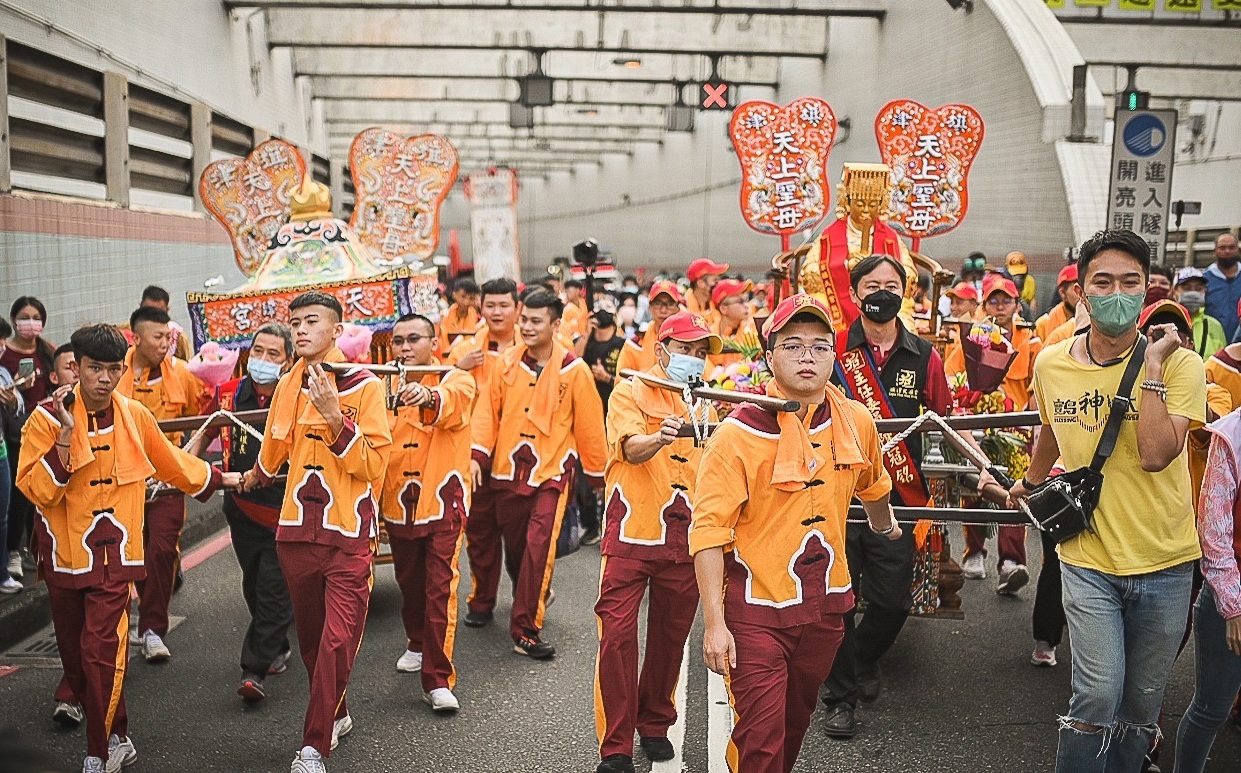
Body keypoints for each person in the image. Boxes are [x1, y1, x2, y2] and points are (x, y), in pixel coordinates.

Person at [1008, 229, 1206, 772]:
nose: (1116, 293)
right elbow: (1049, 428)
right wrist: (1027, 481)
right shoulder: (1051, 363)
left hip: (1166, 564)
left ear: (1146, 291)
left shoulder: (1184, 366)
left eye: (1130, 283)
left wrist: (1154, 369)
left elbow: (1155, 453)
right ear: (1080, 291)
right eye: (1103, 282)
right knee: (1095, 698)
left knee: (1141, 707)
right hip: (1088, 557)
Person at [16, 324, 237, 773]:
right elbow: (36, 491)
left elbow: (171, 463)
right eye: (95, 368)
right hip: (64, 558)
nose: (104, 378)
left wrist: (218, 478)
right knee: (77, 658)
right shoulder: (42, 419)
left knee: (103, 652)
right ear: (75, 368)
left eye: (113, 369)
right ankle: (117, 735)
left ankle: (99, 751)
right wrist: (64, 437)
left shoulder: (135, 415)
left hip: (116, 560)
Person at [692, 293, 899, 773]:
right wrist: (714, 623)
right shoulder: (735, 436)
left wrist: (883, 523)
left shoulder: (855, 421)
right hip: (755, 613)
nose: (808, 357)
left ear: (834, 356)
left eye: (820, 347)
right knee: (760, 739)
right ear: (769, 357)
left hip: (826, 608)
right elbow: (707, 532)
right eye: (793, 345)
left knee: (793, 724)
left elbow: (874, 482)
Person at [238, 291, 393, 773]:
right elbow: (275, 449)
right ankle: (336, 710)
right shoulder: (289, 383)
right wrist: (248, 475)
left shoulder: (364, 385)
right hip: (296, 533)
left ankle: (312, 746)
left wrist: (333, 418)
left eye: (313, 322)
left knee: (336, 640)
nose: (302, 330)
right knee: (309, 640)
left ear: (336, 329)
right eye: (297, 323)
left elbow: (373, 465)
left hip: (349, 533)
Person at [820, 255, 955, 739]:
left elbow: (944, 419)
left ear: (905, 293)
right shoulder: (830, 349)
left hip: (897, 497)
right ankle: (841, 698)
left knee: (892, 602)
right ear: (854, 294)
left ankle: (859, 659)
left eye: (892, 285)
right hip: (834, 493)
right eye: (872, 285)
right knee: (838, 597)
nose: (882, 292)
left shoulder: (924, 355)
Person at [594, 312, 722, 773]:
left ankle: (654, 724)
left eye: (702, 351)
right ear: (662, 348)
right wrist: (658, 437)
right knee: (617, 637)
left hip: (685, 539)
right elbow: (628, 448)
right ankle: (615, 745)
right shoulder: (630, 390)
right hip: (631, 532)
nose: (695, 358)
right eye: (686, 349)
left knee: (671, 639)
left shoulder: (707, 403)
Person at [470, 290, 607, 659]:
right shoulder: (507, 363)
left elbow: (590, 426)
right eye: (524, 319)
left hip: (551, 471)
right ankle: (531, 594)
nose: (527, 327)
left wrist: (598, 477)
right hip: (506, 471)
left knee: (538, 547)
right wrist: (477, 455)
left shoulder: (573, 370)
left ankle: (525, 629)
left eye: (536, 321)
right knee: (516, 551)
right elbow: (488, 413)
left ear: (556, 324)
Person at [379, 313, 476, 714]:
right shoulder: (381, 384)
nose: (405, 347)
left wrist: (427, 397)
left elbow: (451, 407)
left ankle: (437, 678)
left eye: (414, 339)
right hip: (398, 502)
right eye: (398, 340)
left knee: (440, 587)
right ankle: (417, 641)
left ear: (432, 343)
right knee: (410, 582)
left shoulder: (455, 378)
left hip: (442, 502)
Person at [195, 323, 295, 703]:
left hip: (286, 508)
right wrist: (184, 469)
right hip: (241, 507)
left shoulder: (295, 396)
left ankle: (254, 670)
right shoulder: (228, 395)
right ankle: (278, 646)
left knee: (273, 586)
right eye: (258, 351)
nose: (264, 360)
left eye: (273, 354)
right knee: (254, 583)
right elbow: (204, 431)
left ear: (287, 362)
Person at [116, 305, 209, 663]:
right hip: (126, 481)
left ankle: (153, 628)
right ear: (136, 339)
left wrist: (187, 458)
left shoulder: (183, 373)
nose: (165, 344)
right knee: (133, 553)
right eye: (158, 337)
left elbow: (202, 421)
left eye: (168, 337)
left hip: (168, 480)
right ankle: (129, 622)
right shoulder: (116, 375)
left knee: (163, 551)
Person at [947, 275, 1040, 591]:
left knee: (1015, 489)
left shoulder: (1030, 340)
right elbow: (954, 374)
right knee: (975, 486)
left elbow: (1037, 384)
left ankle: (1011, 562)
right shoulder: (971, 336)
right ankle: (974, 552)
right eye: (993, 300)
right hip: (976, 423)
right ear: (984, 304)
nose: (1000, 306)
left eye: (1006, 300)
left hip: (1015, 426)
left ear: (1017, 304)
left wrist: (1030, 421)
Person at [448, 278, 520, 630]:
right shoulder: (465, 347)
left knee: (522, 535)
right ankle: (482, 600)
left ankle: (528, 597)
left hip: (520, 453)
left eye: (503, 305)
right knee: (479, 533)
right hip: (474, 456)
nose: (496, 312)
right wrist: (458, 367)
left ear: (517, 308)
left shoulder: (536, 345)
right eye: (490, 305)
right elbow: (442, 391)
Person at [1174, 406, 1241, 773]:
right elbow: (1214, 532)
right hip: (1231, 597)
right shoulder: (1231, 434)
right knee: (1211, 709)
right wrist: (1233, 607)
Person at [3, 296, 55, 581]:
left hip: (45, 432)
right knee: (18, 492)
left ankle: (35, 549)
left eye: (36, 317)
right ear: (14, 320)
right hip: (14, 434)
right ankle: (13, 550)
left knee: (40, 494)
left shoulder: (47, 352)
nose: (31, 323)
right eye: (25, 317)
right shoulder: (4, 354)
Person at [0, 318, 23, 595]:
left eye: (4, 341)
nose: (3, 347)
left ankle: (3, 570)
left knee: (3, 516)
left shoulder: (4, 373)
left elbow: (18, 411)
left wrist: (13, 401)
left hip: (2, 451)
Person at [616, 281, 683, 375]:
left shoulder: (687, 343)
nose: (663, 310)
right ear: (649, 307)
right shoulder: (635, 344)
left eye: (670, 304)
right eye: (658, 303)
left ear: (678, 308)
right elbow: (622, 381)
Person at [118, 286, 192, 361]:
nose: (152, 317)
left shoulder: (178, 338)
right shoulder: (121, 334)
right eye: (147, 311)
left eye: (158, 313)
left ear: (167, 310)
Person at [1172, 267, 1227, 359]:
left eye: (1198, 289)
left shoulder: (1214, 325)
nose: (1193, 293)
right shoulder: (1165, 320)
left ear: (1205, 292)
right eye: (1187, 288)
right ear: (1175, 292)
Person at [1205, 233, 1241, 341]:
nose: (1227, 251)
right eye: (1222, 248)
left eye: (1231, 247)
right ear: (1214, 251)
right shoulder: (1204, 280)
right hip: (1213, 340)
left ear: (1238, 249)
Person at [1035, 264, 1080, 342]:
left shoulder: (1097, 321)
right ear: (1062, 293)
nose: (1083, 294)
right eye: (1077, 289)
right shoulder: (1043, 325)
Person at [439, 277, 481, 349]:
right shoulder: (445, 316)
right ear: (454, 295)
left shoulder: (477, 318)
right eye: (463, 297)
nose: (466, 302)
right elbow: (443, 343)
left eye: (471, 298)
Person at [685, 258, 730, 325]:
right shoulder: (684, 310)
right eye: (715, 280)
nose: (718, 284)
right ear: (701, 283)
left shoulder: (712, 306)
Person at [1006, 251, 1038, 317]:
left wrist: (1031, 315)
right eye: (1015, 274)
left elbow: (1032, 300)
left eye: (1021, 274)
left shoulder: (1030, 280)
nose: (1018, 276)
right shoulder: (1003, 282)